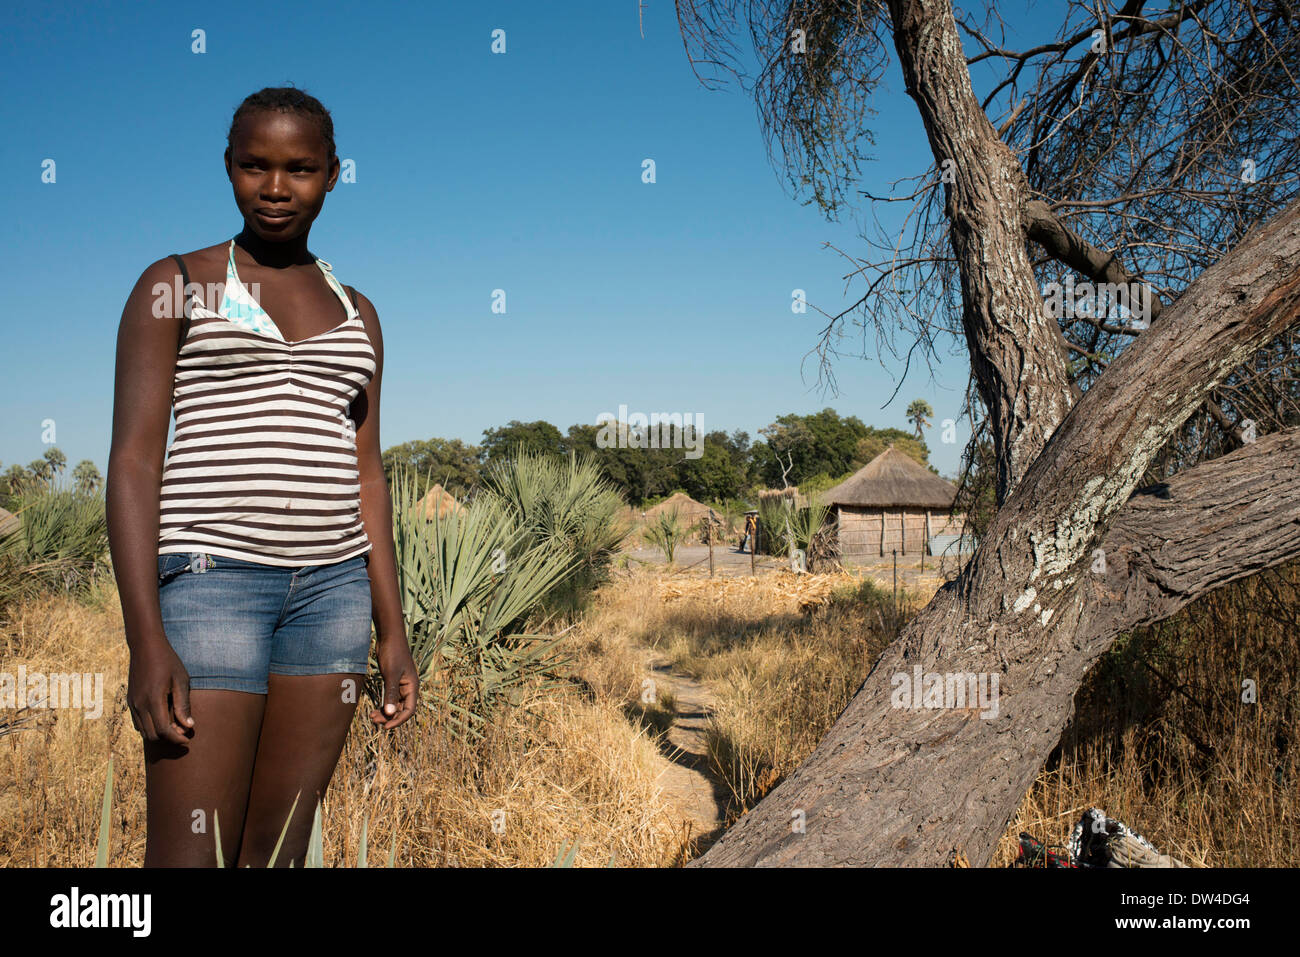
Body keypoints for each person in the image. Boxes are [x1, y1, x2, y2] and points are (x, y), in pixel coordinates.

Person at [105, 87, 418, 867]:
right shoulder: (174, 283)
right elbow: (135, 459)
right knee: (187, 858)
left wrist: (393, 630)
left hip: (332, 595)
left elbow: (367, 476)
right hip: (211, 582)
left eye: (300, 169)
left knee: (273, 855)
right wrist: (146, 637)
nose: (275, 187)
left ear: (333, 175)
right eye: (254, 165)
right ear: (229, 167)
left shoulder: (360, 312)